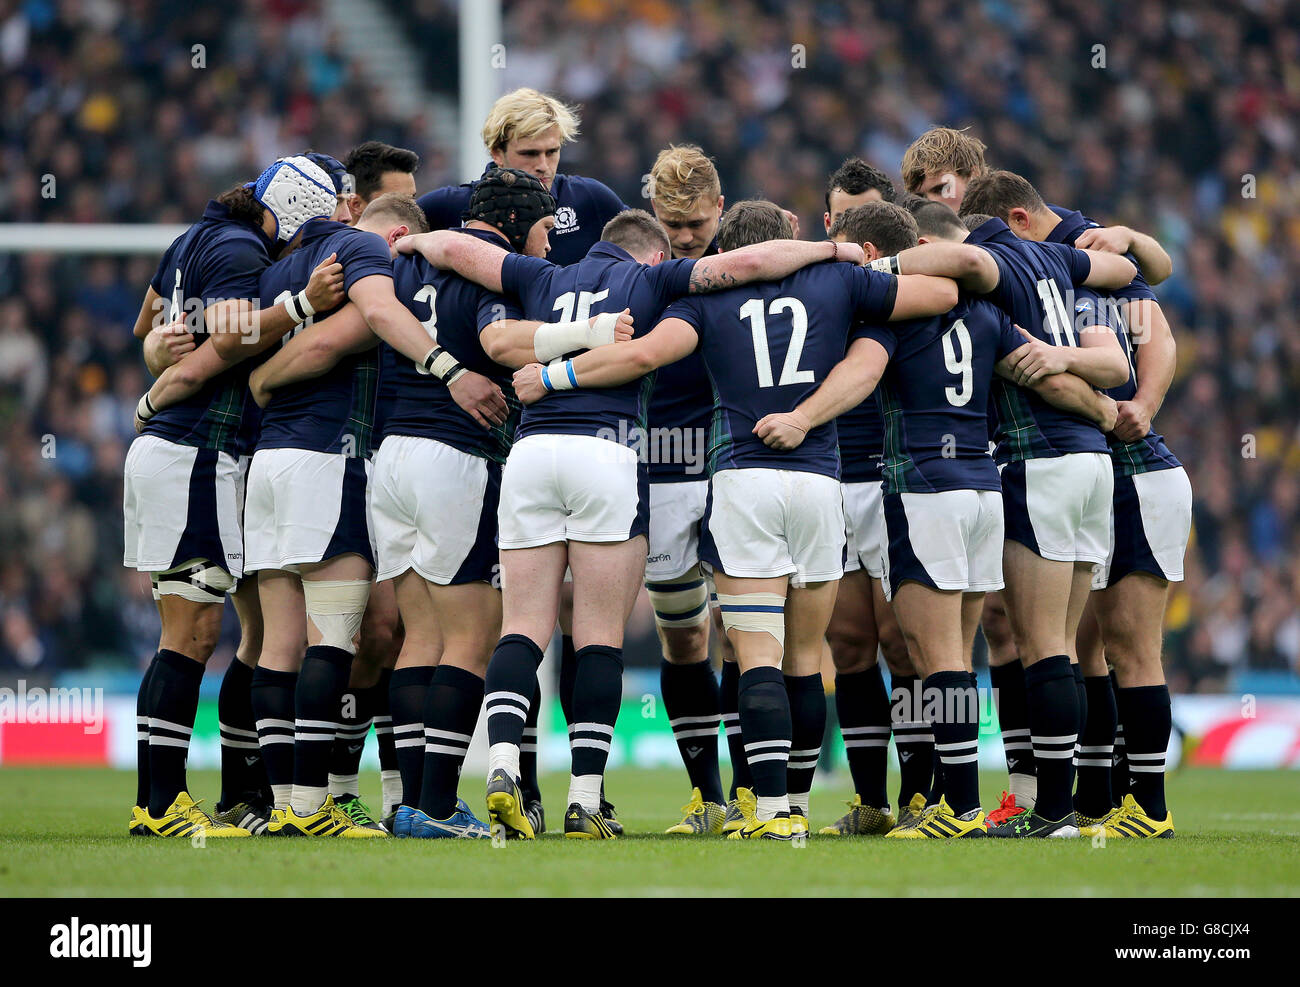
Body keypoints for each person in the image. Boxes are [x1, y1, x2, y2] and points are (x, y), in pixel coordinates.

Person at [513, 200, 960, 838]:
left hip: (744, 477)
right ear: (789, 241)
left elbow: (640, 357)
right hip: (819, 479)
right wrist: (869, 261)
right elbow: (943, 289)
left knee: (754, 657)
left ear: (727, 253)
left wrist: (553, 376)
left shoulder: (704, 303)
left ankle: (767, 811)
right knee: (805, 658)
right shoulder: (842, 282)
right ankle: (799, 809)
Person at [888, 176, 1137, 837]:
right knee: (1075, 648)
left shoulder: (990, 265)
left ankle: (1052, 809)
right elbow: (1122, 297)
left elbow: (966, 264)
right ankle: (1070, 803)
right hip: (1093, 463)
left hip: (1039, 457)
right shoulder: (1058, 259)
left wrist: (877, 264)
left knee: (1043, 645)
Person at [242, 192, 493, 837]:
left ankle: (280, 803)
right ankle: (311, 804)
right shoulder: (365, 265)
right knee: (337, 637)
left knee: (279, 640)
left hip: (265, 462)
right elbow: (333, 342)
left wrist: (256, 382)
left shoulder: (279, 270)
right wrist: (448, 367)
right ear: (400, 235)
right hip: (328, 456)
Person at [125, 156, 344, 837]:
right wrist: (302, 304)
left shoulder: (193, 235)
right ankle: (162, 804)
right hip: (197, 447)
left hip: (177, 444)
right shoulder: (240, 246)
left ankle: (158, 799)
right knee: (190, 632)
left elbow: (146, 328)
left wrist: (160, 366)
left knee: (187, 631)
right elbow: (228, 331)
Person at [970, 172, 1187, 838]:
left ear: (1018, 219)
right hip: (1098, 471)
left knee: (1121, 648)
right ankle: (1097, 801)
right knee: (1091, 650)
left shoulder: (1073, 258)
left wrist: (1139, 409)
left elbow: (1152, 334)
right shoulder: (1075, 260)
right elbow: (1151, 264)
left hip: (1132, 470)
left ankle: (1140, 807)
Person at [418, 88, 627, 266]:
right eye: (530, 154)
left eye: (552, 152)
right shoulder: (447, 206)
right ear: (497, 152)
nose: (543, 166)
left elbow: (648, 251)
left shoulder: (591, 199)